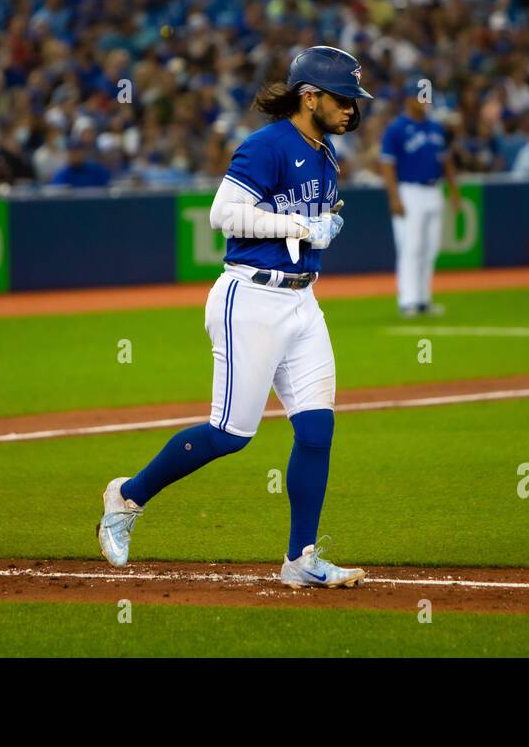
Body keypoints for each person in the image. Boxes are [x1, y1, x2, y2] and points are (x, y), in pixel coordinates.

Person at [97, 46, 371, 588]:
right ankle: (127, 497)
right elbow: (222, 214)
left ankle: (300, 558)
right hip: (249, 299)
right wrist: (296, 227)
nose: (352, 110)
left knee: (317, 429)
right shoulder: (268, 145)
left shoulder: (325, 153)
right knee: (230, 434)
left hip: (301, 302)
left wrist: (319, 229)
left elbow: (305, 222)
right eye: (342, 98)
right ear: (309, 96)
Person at [380, 98, 459, 317]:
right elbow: (387, 165)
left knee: (430, 248)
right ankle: (408, 301)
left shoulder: (435, 127)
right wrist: (394, 197)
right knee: (410, 247)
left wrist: (454, 192)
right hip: (409, 190)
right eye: (419, 96)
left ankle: (423, 299)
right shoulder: (396, 129)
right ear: (407, 100)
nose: (424, 101)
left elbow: (446, 161)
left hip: (434, 189)